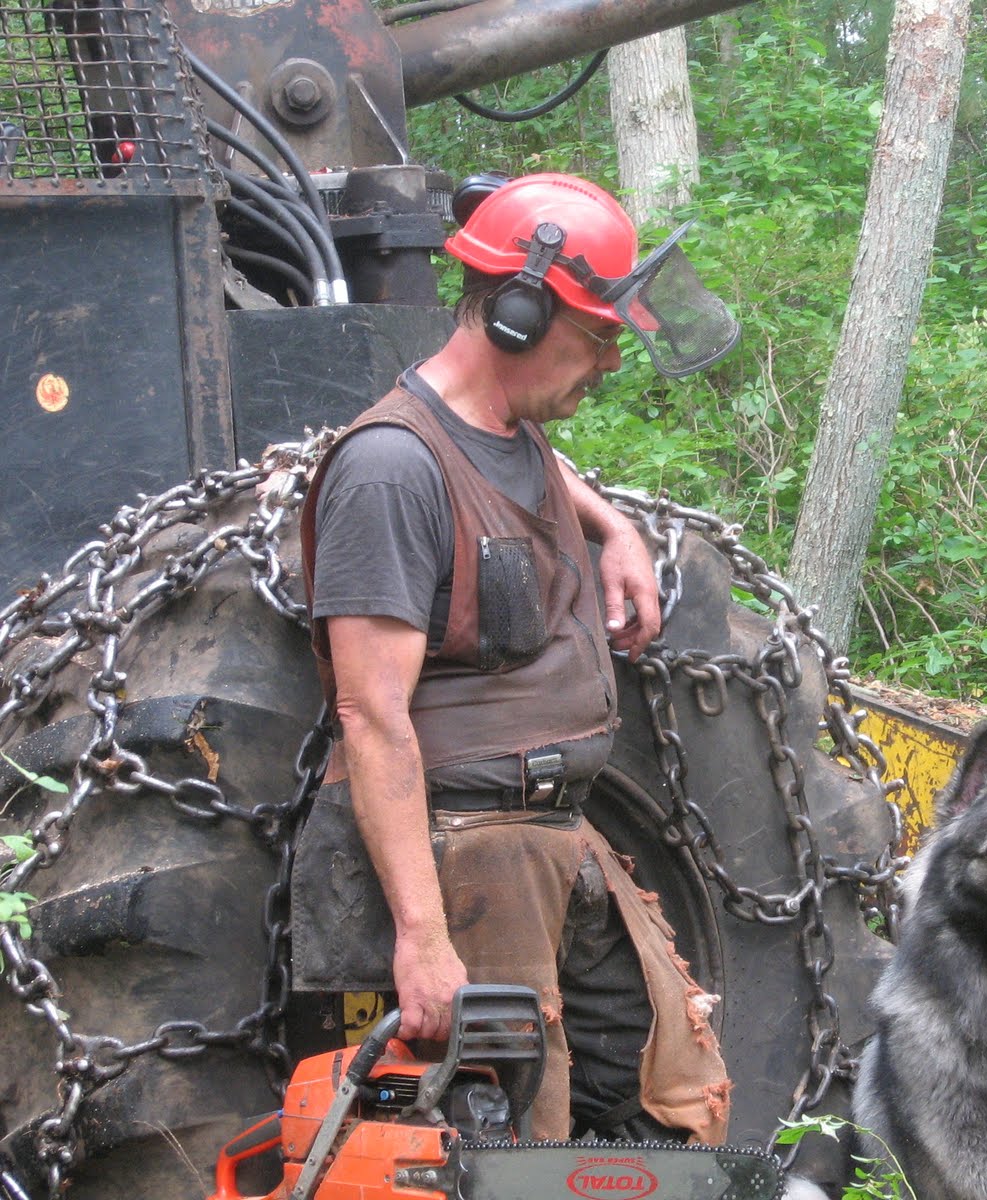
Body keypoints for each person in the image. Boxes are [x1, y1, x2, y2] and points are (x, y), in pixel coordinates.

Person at [294, 172, 742, 1144]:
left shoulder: (510, 427)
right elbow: (371, 716)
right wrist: (422, 940)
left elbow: (511, 458)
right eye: (597, 336)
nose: (609, 362)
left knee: (664, 1102)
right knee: (506, 1148)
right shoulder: (388, 472)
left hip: (559, 846)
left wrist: (614, 525)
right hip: (467, 860)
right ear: (517, 316)